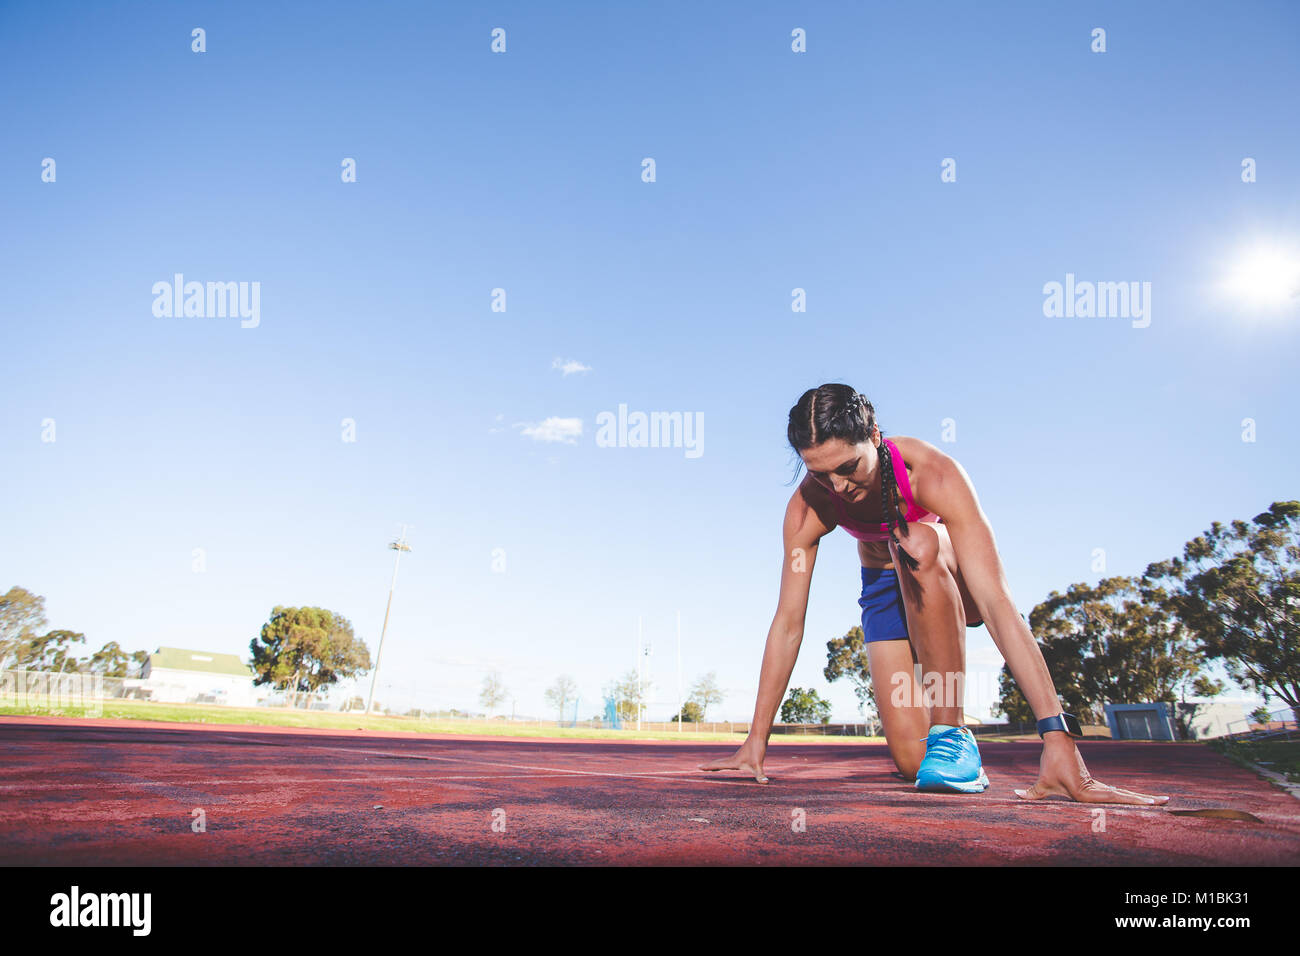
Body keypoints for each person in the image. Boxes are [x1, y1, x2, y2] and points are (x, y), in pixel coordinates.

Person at [700, 383, 1169, 805]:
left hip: (947, 577)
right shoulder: (808, 507)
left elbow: (997, 604)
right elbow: (788, 622)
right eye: (822, 474)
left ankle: (951, 731)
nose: (838, 486)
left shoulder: (932, 473)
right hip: (885, 590)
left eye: (848, 467)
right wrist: (755, 741)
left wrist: (1057, 736)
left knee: (915, 540)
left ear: (875, 436)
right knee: (913, 766)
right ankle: (943, 751)